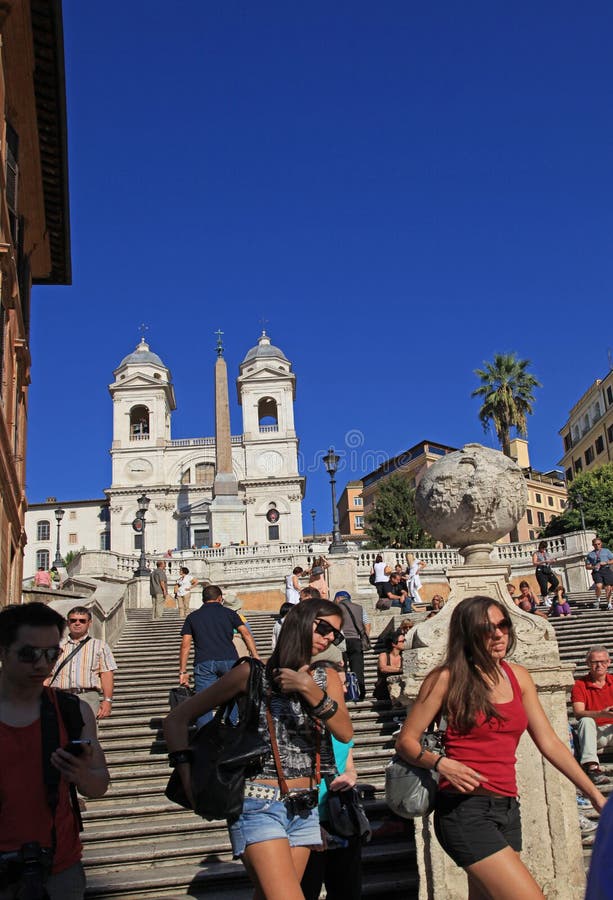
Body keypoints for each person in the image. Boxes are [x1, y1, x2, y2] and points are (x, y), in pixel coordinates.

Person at [396, 596, 606, 900]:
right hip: (465, 811)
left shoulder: (518, 676)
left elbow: (550, 743)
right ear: (468, 633)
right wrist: (441, 763)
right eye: (487, 628)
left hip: (507, 808)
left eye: (503, 625)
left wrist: (595, 795)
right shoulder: (445, 679)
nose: (498, 634)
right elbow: (406, 741)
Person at [164, 599, 353, 900]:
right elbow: (176, 719)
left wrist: (307, 688)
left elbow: (344, 731)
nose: (329, 638)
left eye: (336, 634)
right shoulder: (251, 673)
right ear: (300, 622)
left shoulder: (324, 678)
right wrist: (186, 776)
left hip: (305, 807)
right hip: (259, 804)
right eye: (324, 628)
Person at [0, 602, 110, 900]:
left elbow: (99, 785)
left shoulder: (73, 711)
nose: (42, 664)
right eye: (29, 654)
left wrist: (81, 774)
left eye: (52, 654)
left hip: (59, 867)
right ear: (3, 651)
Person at [178, 584, 260, 728]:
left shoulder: (192, 617)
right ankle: (231, 727)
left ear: (203, 599)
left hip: (204, 662)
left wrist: (183, 671)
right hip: (229, 660)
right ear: (220, 598)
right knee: (231, 696)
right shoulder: (229, 613)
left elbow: (185, 645)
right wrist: (255, 656)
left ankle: (205, 737)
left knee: (203, 701)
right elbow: (246, 634)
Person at [300, 740, 361, 900]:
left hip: (342, 815)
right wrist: (310, 823)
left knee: (347, 891)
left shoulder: (341, 723)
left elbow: (349, 765)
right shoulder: (297, 726)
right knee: (305, 890)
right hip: (305, 819)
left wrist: (350, 775)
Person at [47, 606, 118, 719]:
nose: (77, 623)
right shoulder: (56, 646)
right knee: (59, 734)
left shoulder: (100, 646)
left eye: (82, 621)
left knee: (87, 735)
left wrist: (107, 700)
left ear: (89, 623)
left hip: (87, 697)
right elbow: (47, 675)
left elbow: (106, 674)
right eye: (73, 620)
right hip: (59, 697)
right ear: (68, 622)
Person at [571, 645, 613, 786]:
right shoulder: (580, 685)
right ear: (588, 664)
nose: (599, 665)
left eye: (602, 661)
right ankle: (593, 768)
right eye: (595, 662)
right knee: (585, 720)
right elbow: (578, 712)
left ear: (608, 663)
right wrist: (601, 714)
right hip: (594, 734)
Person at [334, 591, 370, 702]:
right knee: (358, 668)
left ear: (338, 598)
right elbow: (367, 624)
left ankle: (344, 694)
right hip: (356, 640)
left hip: (340, 642)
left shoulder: (335, 609)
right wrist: (364, 637)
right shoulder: (359, 608)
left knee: (341, 668)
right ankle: (360, 693)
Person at [373, 629, 405, 706]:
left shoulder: (404, 657)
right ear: (394, 644)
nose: (405, 643)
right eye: (402, 641)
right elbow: (383, 668)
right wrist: (401, 669)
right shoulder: (383, 655)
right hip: (384, 691)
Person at [586, 537, 613, 610]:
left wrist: (606, 562)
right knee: (598, 586)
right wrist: (594, 567)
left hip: (606, 570)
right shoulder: (590, 554)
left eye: (599, 544)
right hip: (597, 571)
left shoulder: (606, 551)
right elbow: (587, 566)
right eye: (595, 544)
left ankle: (609, 603)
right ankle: (598, 599)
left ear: (601, 544)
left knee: (608, 587)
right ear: (593, 545)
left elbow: (612, 560)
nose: (597, 545)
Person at [531, 541, 559, 606]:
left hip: (547, 569)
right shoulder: (536, 553)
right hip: (540, 570)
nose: (543, 549)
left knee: (555, 582)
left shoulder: (547, 553)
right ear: (540, 547)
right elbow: (534, 563)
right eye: (542, 548)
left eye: (544, 548)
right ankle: (545, 599)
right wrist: (543, 561)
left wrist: (552, 561)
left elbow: (548, 561)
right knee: (543, 586)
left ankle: (547, 595)